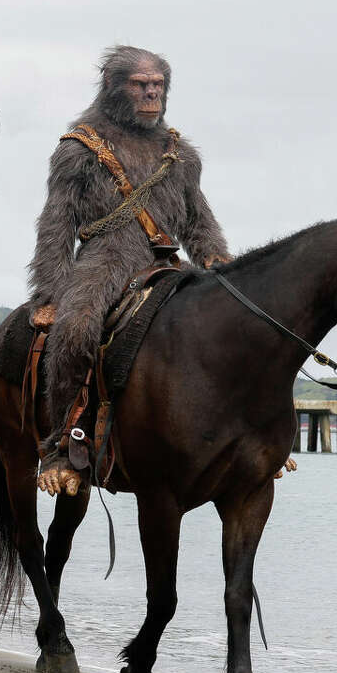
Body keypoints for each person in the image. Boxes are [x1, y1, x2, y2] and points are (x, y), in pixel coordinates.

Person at [27, 46, 231, 496]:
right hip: (105, 260)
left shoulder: (180, 155)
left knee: (229, 326)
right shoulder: (79, 149)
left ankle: (245, 438)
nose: (151, 94)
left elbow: (198, 220)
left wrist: (218, 262)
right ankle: (64, 444)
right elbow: (56, 225)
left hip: (166, 263)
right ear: (114, 87)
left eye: (158, 85)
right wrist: (52, 293)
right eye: (141, 85)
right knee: (76, 328)